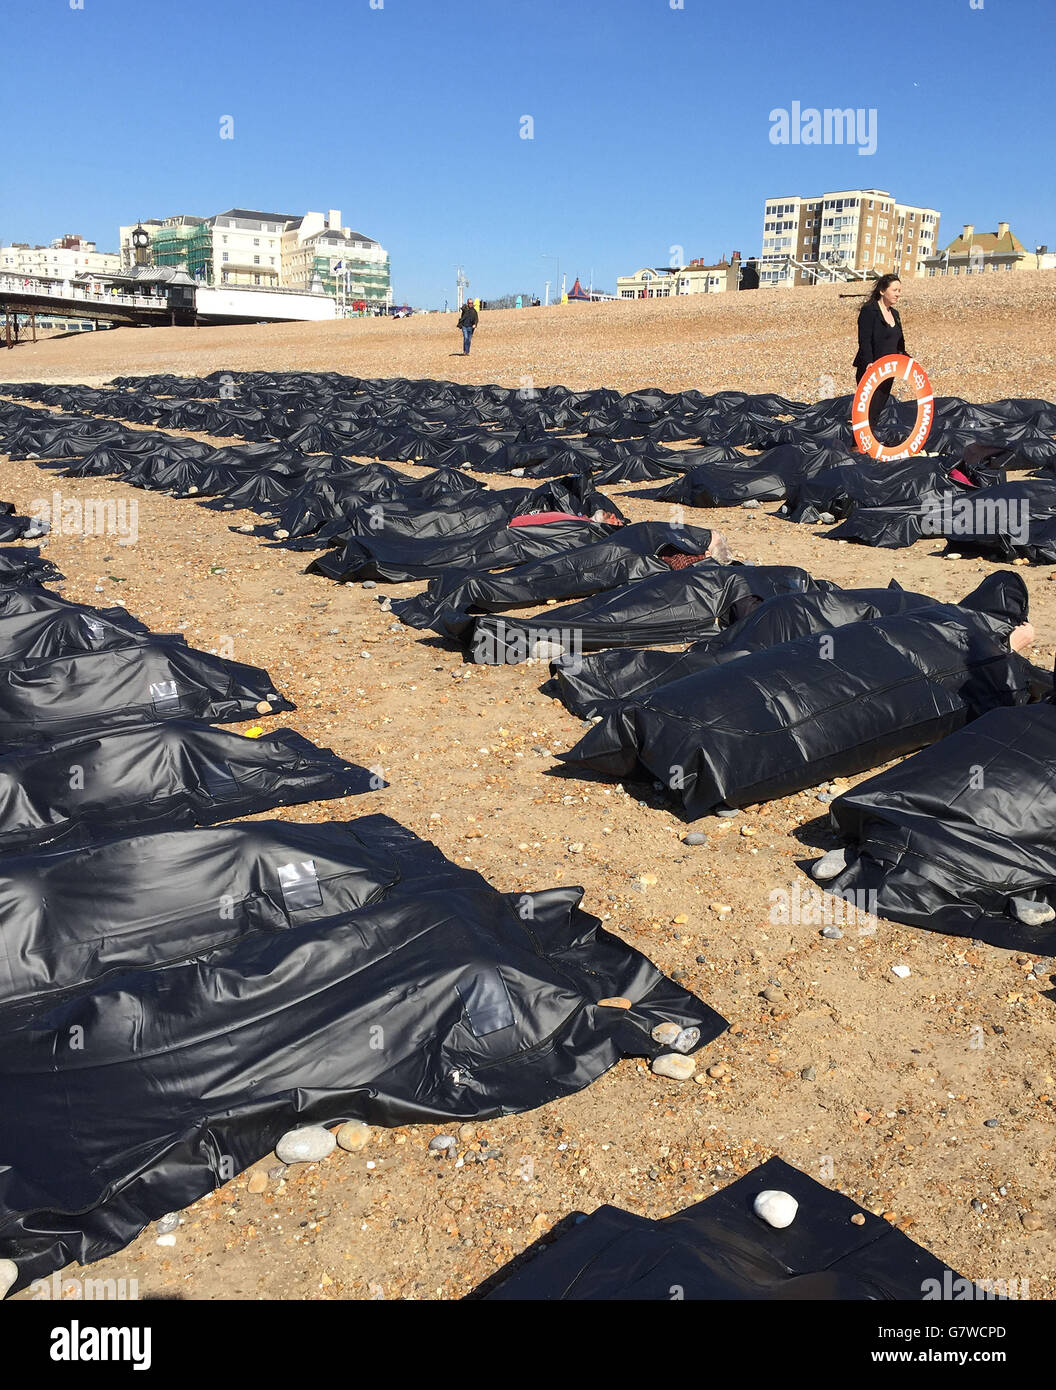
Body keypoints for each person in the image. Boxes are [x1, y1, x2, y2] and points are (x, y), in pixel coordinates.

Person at [853, 273, 906, 435]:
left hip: (889, 372)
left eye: (899, 290)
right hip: (870, 370)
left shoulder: (895, 314)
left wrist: (909, 361)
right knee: (866, 411)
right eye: (894, 290)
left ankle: (867, 446)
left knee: (876, 411)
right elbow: (864, 340)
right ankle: (857, 447)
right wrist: (869, 362)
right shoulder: (869, 311)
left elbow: (899, 345)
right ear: (883, 291)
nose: (898, 294)